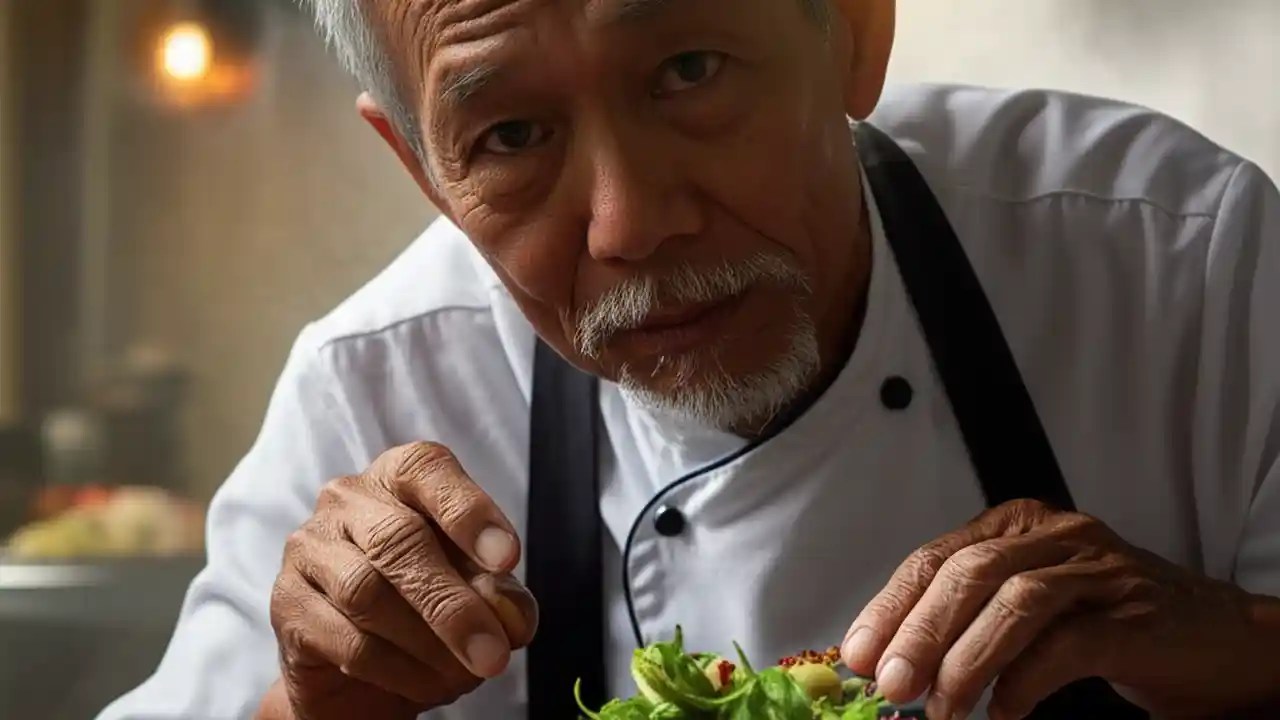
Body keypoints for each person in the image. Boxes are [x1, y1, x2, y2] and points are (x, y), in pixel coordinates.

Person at [99, 0, 1280, 719]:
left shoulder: (1180, 260)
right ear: (422, 173)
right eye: (509, 135)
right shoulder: (372, 388)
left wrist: (1226, 651)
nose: (630, 223)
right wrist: (316, 714)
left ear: (851, 28)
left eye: (688, 71)